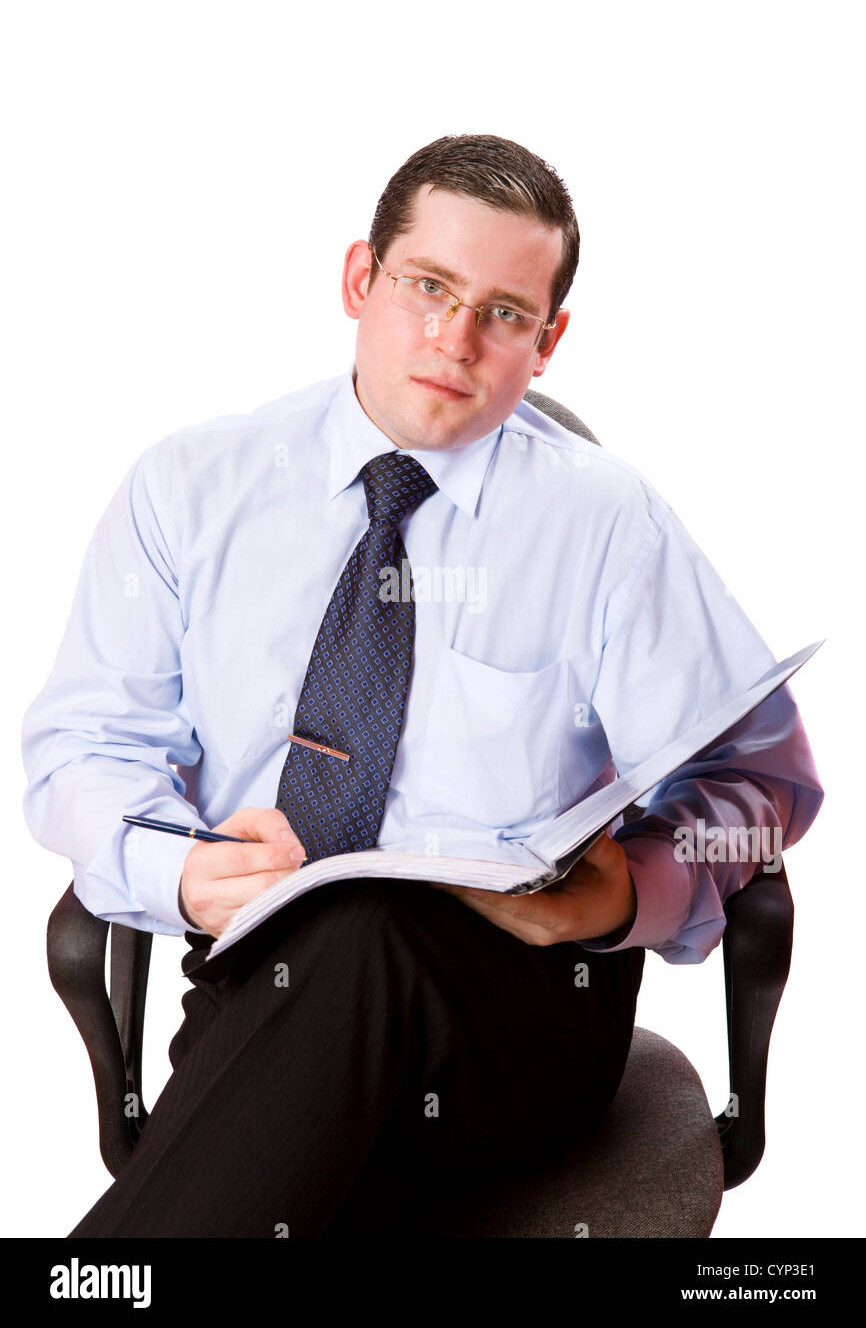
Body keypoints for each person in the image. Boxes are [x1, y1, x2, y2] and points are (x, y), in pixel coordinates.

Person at [21, 133, 823, 1238]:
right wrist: (182, 875)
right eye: (428, 287)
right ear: (361, 279)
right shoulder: (190, 489)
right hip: (262, 991)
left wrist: (625, 891)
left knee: (363, 937)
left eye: (503, 312)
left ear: (547, 343)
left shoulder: (604, 525)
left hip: (518, 1018)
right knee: (326, 1004)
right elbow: (80, 750)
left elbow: (765, 793)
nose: (455, 339)